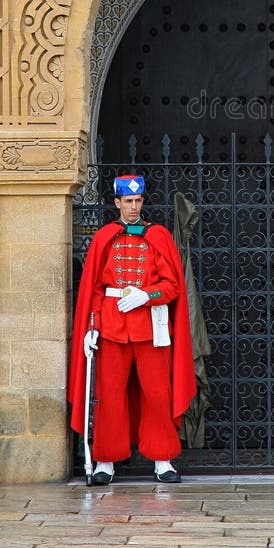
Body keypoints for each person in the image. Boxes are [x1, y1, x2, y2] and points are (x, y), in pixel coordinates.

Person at [68, 174, 197, 484]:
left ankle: (163, 460)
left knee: (157, 395)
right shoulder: (104, 237)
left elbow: (172, 286)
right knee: (108, 396)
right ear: (117, 203)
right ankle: (106, 463)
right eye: (128, 202)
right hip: (112, 329)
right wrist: (91, 327)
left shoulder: (160, 236)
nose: (134, 207)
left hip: (151, 329)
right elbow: (95, 290)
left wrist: (147, 295)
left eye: (138, 201)